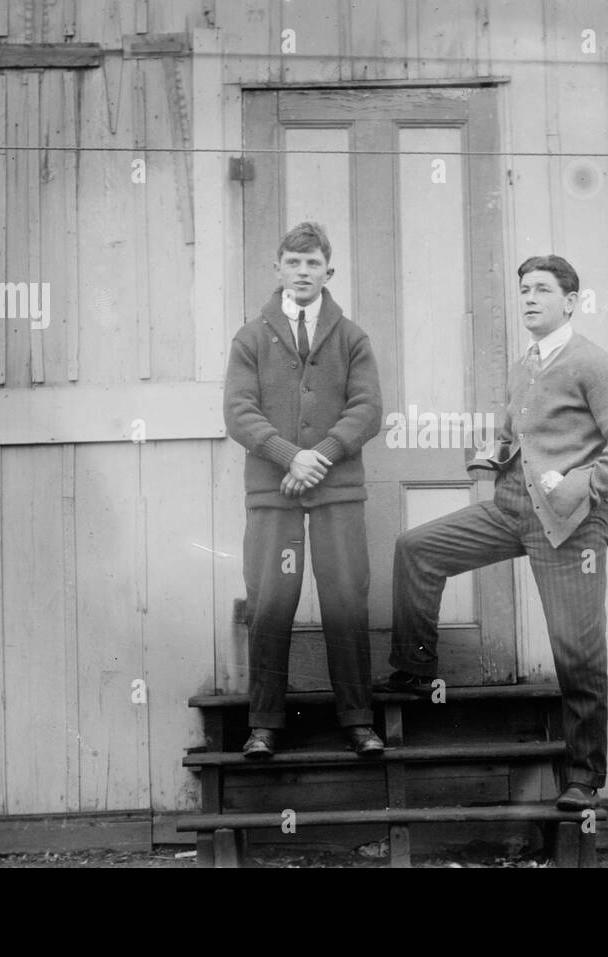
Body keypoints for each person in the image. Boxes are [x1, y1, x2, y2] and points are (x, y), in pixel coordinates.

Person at [379, 254, 608, 809]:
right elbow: (516, 435)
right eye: (524, 290)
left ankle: (583, 779)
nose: (529, 299)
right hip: (512, 508)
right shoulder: (525, 363)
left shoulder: (593, 365)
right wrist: (494, 452)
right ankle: (414, 669)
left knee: (576, 653)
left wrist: (579, 485)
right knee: (417, 549)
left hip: (570, 526)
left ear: (570, 302)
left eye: (543, 290)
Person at [224, 222, 385, 757]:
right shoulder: (251, 337)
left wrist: (323, 456)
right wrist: (291, 456)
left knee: (345, 599)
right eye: (293, 263)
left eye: (313, 263)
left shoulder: (351, 336)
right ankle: (265, 724)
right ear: (278, 268)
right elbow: (238, 412)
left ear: (328, 272)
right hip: (274, 494)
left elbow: (368, 409)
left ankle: (359, 721)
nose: (302, 273)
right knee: (272, 600)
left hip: (337, 492)